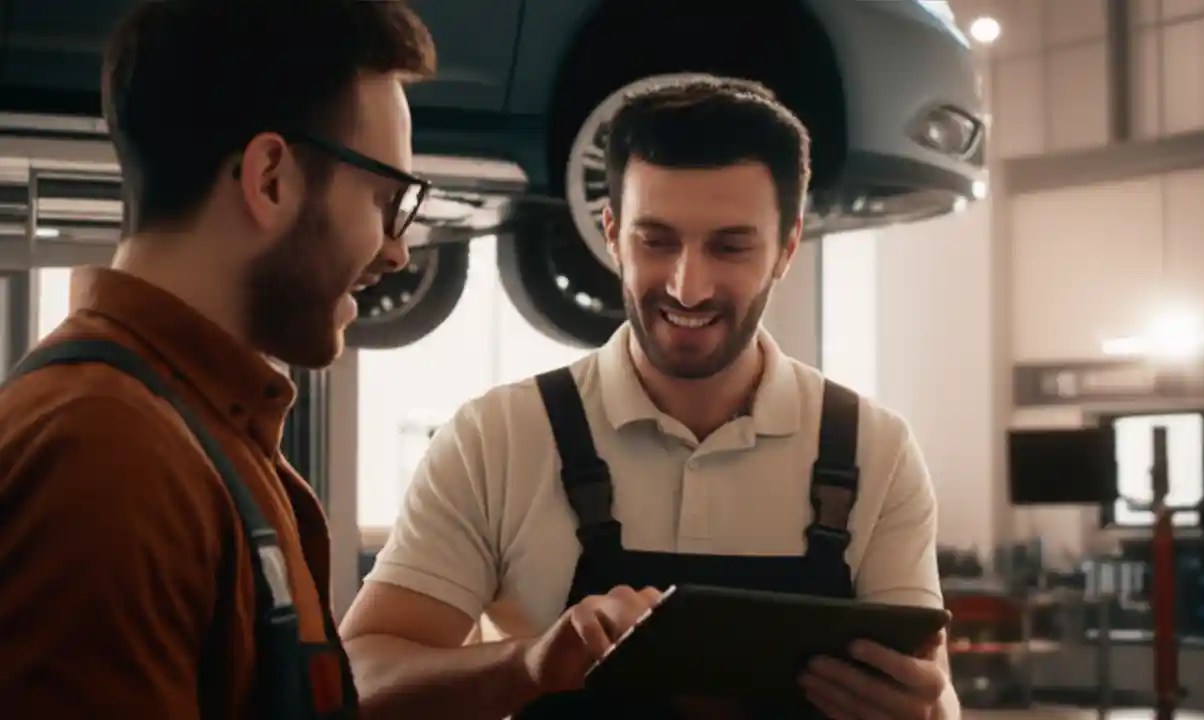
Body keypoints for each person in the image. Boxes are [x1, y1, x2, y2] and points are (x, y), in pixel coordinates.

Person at [340, 76, 960, 720]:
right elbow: (358, 677)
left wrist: (928, 712)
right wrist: (527, 664)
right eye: (655, 241)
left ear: (787, 246)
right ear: (610, 232)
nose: (688, 287)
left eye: (730, 246)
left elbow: (933, 693)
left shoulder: (873, 452)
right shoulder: (497, 437)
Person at [0, 0, 435, 716]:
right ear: (270, 179)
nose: (397, 250)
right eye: (386, 201)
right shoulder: (108, 454)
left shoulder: (185, 429)